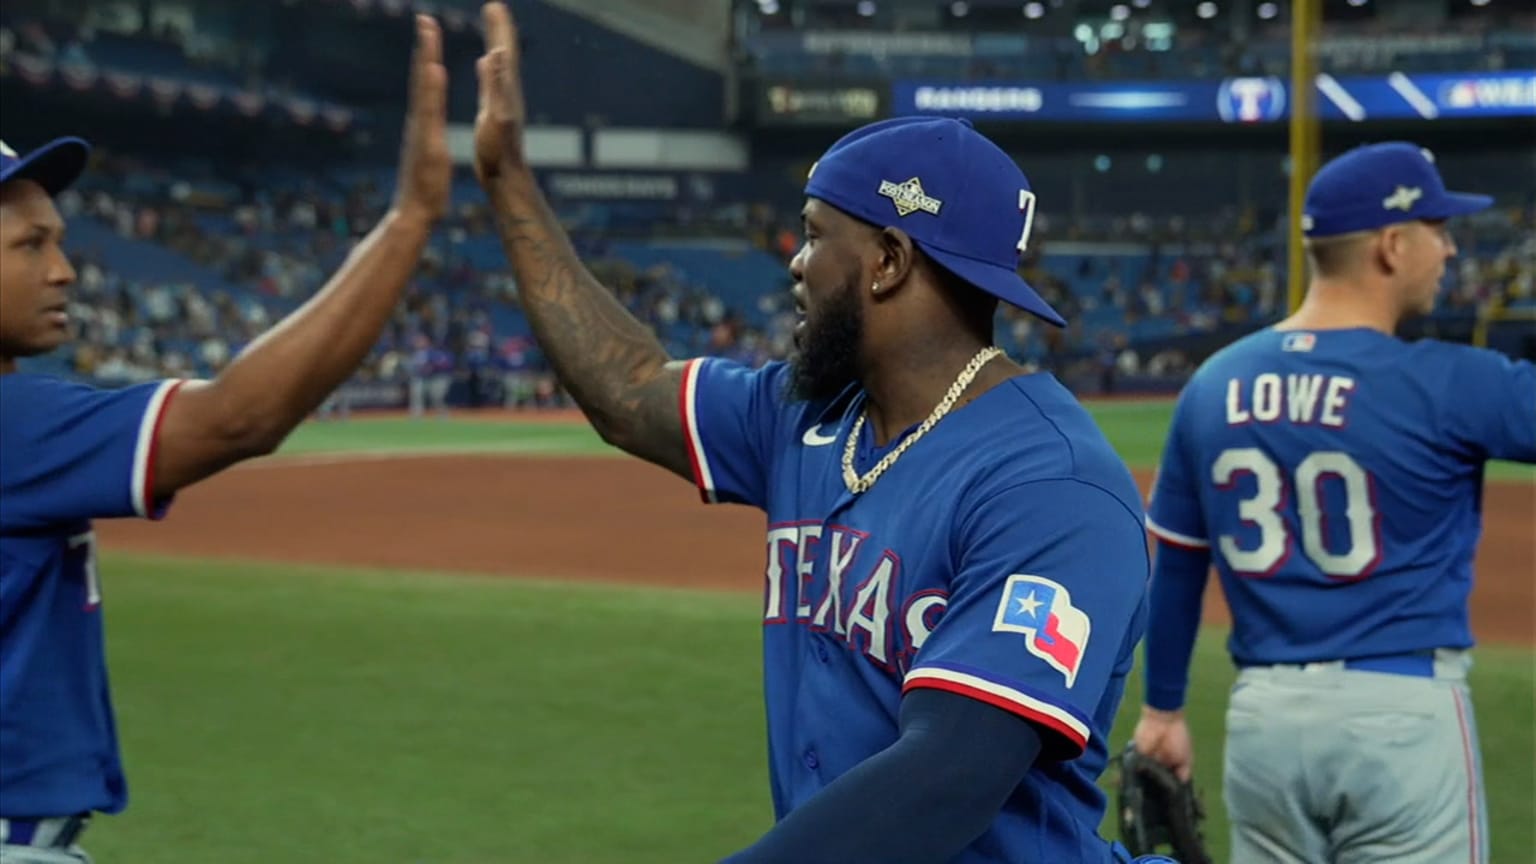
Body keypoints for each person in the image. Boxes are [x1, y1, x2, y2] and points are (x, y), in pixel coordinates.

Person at [470, 4, 1170, 862]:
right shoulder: (808, 415)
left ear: (887, 261)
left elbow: (950, 773)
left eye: (813, 235)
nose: (794, 264)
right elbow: (627, 388)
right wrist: (508, 182)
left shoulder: (1052, 486)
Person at [0, 15, 450, 862]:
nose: (64, 270)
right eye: (30, 246)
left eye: (59, 241)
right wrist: (410, 220)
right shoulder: (13, 428)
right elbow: (242, 414)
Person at [1131, 141, 1536, 863]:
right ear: (1391, 245)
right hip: (1401, 717)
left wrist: (1163, 708)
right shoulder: (1451, 382)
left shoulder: (1214, 384)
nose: (1448, 249)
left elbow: (1180, 570)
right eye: (1437, 230)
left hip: (1263, 727)